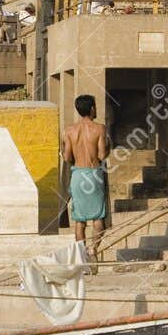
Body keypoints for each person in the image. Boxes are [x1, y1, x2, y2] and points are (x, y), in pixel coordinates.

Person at [62, 94, 110, 258]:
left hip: (78, 175)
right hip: (94, 173)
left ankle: (82, 255)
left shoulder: (69, 130)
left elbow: (67, 158)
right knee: (98, 217)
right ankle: (93, 249)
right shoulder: (100, 128)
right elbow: (102, 155)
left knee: (79, 220)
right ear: (91, 109)